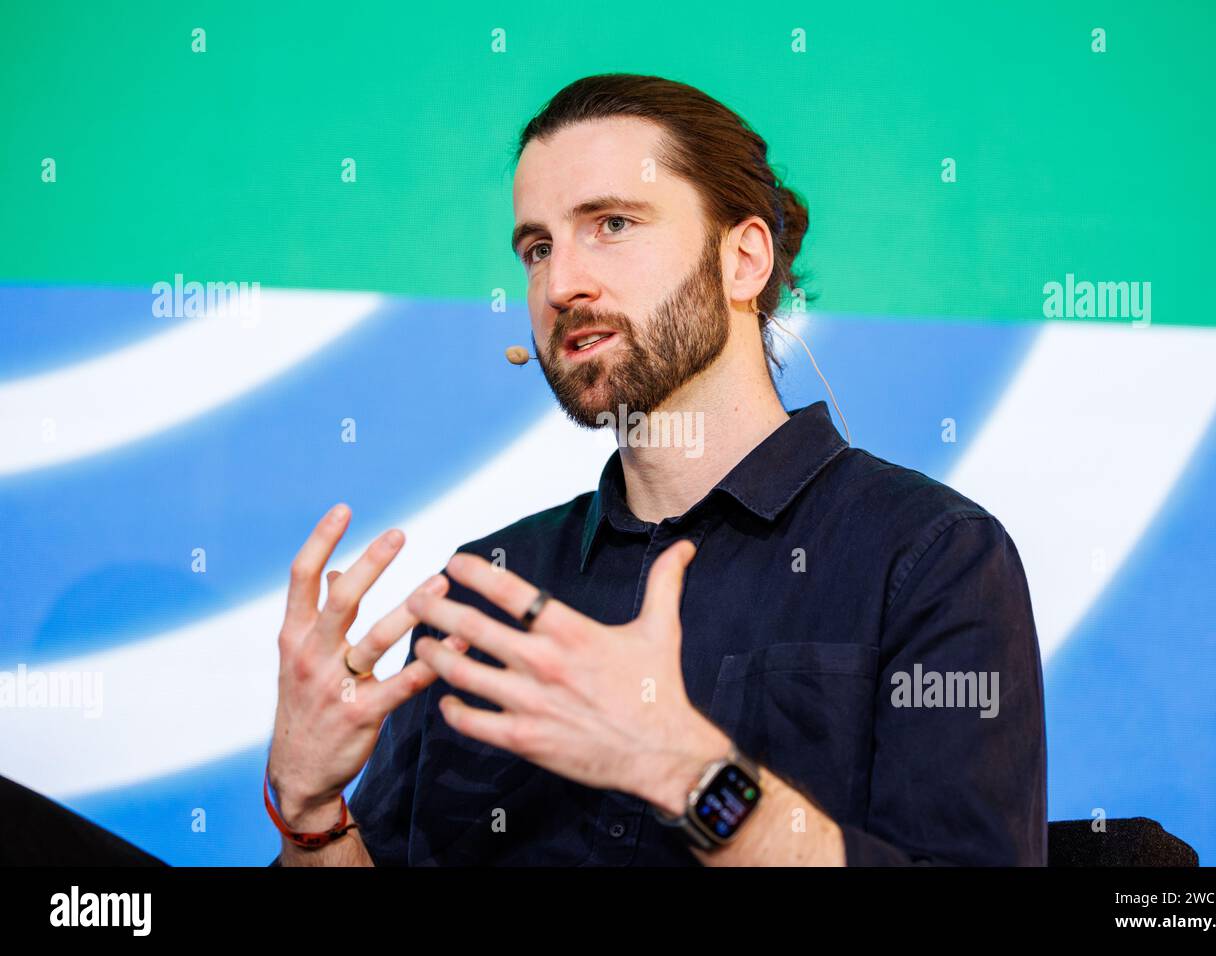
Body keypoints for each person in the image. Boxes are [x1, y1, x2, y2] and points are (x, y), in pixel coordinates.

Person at [266, 73, 1047, 867]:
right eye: (537, 247)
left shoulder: (928, 557)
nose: (561, 283)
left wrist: (690, 774)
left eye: (610, 223)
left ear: (743, 260)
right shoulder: (483, 593)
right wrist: (312, 812)